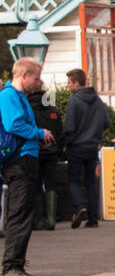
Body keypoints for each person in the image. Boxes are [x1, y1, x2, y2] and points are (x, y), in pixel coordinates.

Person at [1, 58, 56, 276]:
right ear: (24, 75)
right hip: (20, 161)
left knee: (24, 212)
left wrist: (38, 137)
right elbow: (13, 124)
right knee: (19, 213)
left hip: (28, 158)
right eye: (35, 77)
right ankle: (11, 267)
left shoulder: (19, 97)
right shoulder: (9, 96)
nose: (38, 82)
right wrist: (39, 133)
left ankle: (16, 264)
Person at [64, 68, 108, 229]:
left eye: (69, 82)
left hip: (76, 147)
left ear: (76, 83)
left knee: (74, 180)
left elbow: (69, 127)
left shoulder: (74, 101)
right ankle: (92, 218)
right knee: (90, 182)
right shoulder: (97, 100)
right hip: (92, 147)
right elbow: (106, 123)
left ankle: (80, 205)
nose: (67, 86)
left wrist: (67, 142)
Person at [30, 83, 62, 230]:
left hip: (35, 151)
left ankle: (37, 219)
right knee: (50, 184)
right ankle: (51, 219)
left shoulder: (28, 109)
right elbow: (60, 133)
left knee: (35, 184)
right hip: (51, 152)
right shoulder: (53, 110)